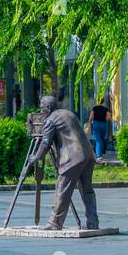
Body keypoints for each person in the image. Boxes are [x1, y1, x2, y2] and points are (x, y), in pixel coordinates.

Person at [32, 95, 99, 231]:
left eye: (42, 109)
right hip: (88, 154)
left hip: (72, 157)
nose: (41, 112)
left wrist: (36, 157)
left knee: (62, 189)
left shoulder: (51, 120)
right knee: (87, 190)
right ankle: (93, 222)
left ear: (49, 108)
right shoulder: (68, 113)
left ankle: (54, 222)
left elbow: (45, 143)